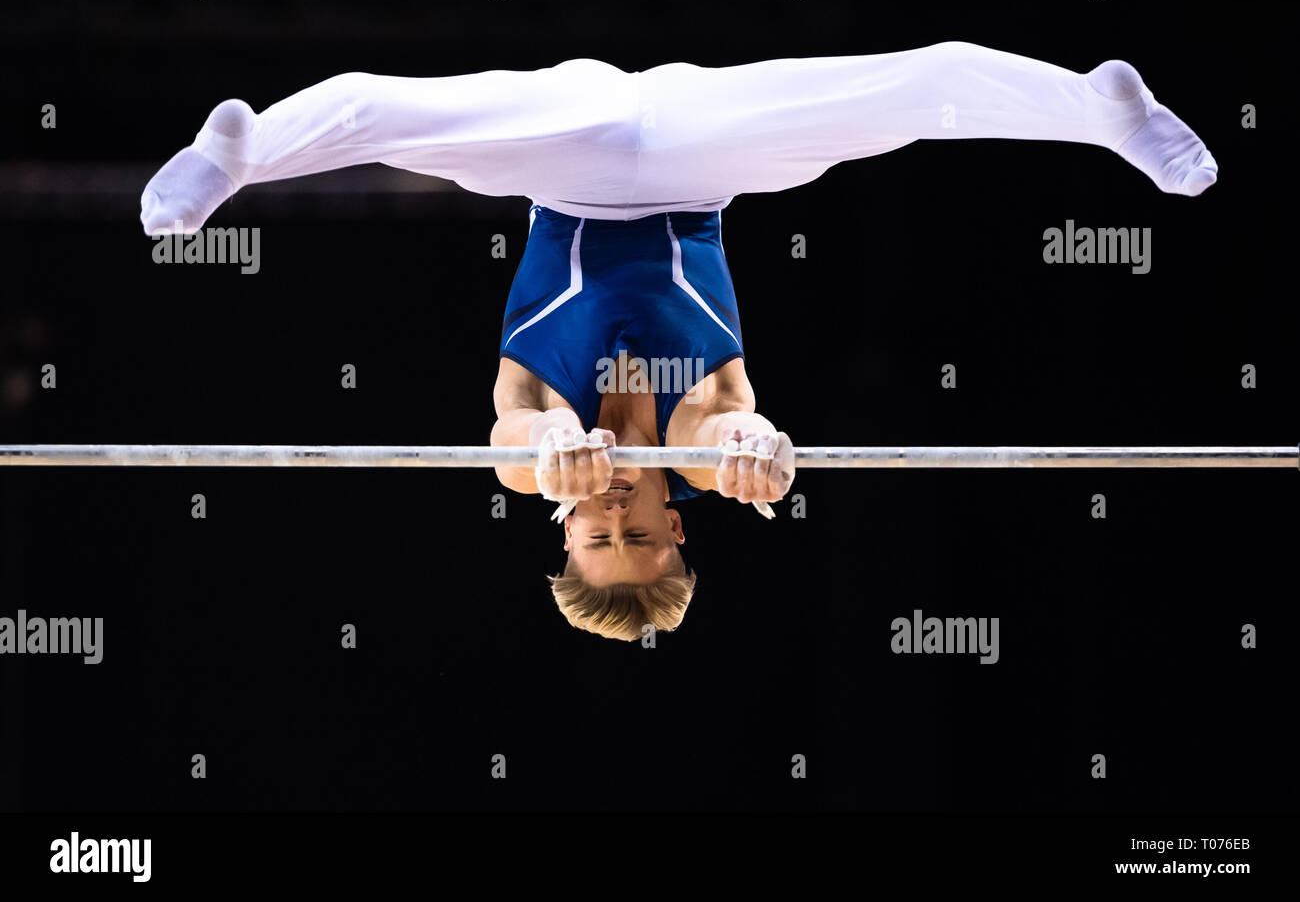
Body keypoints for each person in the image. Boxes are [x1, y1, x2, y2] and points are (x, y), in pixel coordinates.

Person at [140, 41, 1216, 639]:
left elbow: (518, 435)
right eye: (639, 537)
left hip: (562, 157)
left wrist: (549, 453)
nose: (615, 518)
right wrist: (758, 451)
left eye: (594, 540)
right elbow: (730, 425)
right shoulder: (701, 453)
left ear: (562, 535)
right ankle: (1096, 106)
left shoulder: (534, 456)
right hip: (704, 163)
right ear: (677, 528)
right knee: (909, 89)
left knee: (387, 111)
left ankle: (237, 151)